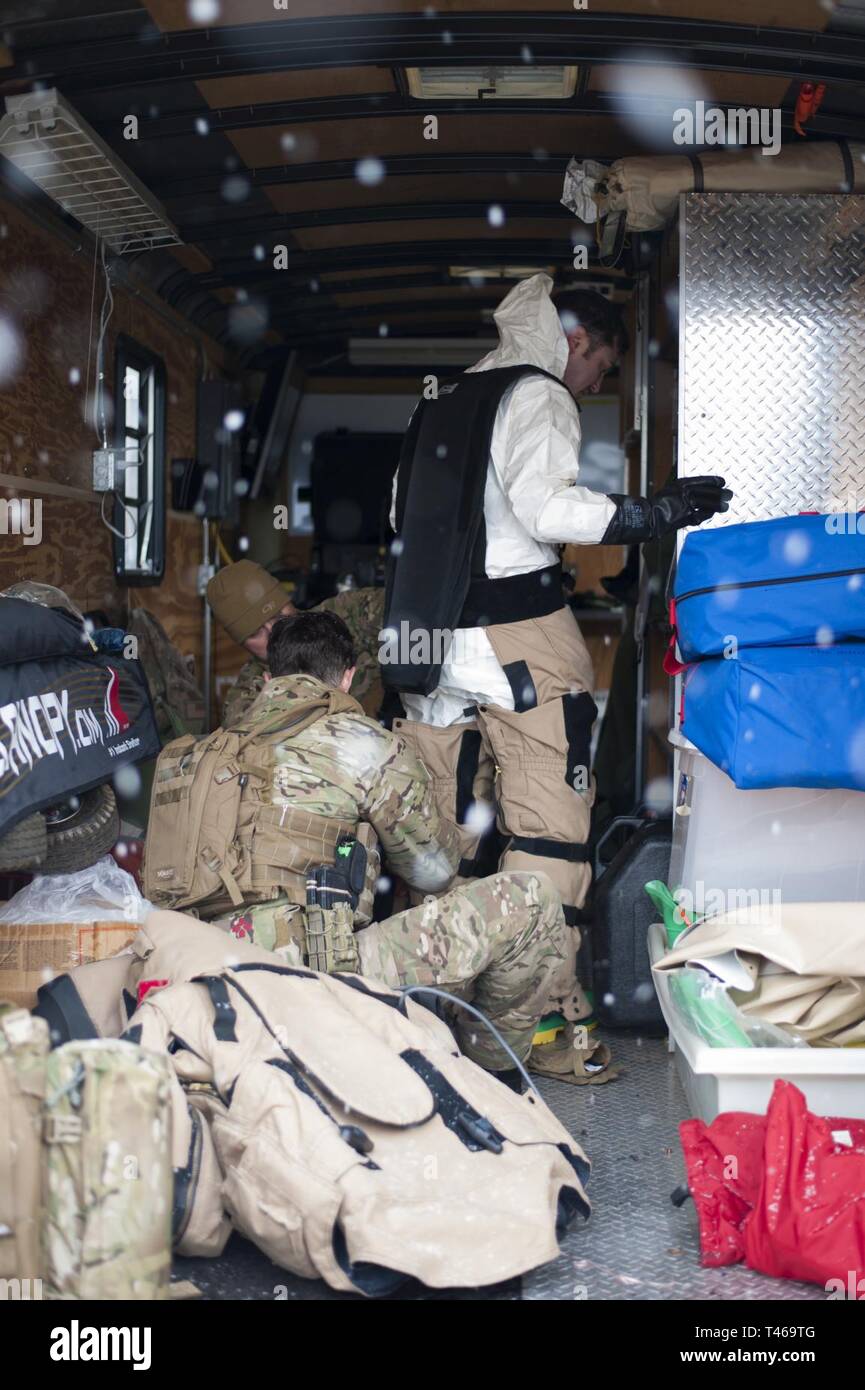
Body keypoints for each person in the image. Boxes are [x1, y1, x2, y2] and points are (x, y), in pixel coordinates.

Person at [383, 273, 731, 1019]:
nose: (596, 380)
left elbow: (399, 514)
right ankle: (535, 1020)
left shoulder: (442, 398)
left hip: (424, 641)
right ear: (574, 340)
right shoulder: (537, 393)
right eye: (601, 366)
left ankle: (432, 1011)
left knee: (447, 837)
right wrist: (655, 511)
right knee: (550, 833)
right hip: (517, 639)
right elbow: (545, 508)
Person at [212, 608, 572, 1079]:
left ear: (266, 679)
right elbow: (433, 869)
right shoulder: (364, 743)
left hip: (208, 972)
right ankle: (492, 1079)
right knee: (532, 902)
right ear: (347, 677)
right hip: (309, 971)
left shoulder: (202, 752)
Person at [206, 558, 384, 724]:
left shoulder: (350, 614)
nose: (274, 631)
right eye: (255, 632)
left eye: (278, 616)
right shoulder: (249, 698)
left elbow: (404, 614)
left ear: (290, 601)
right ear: (242, 644)